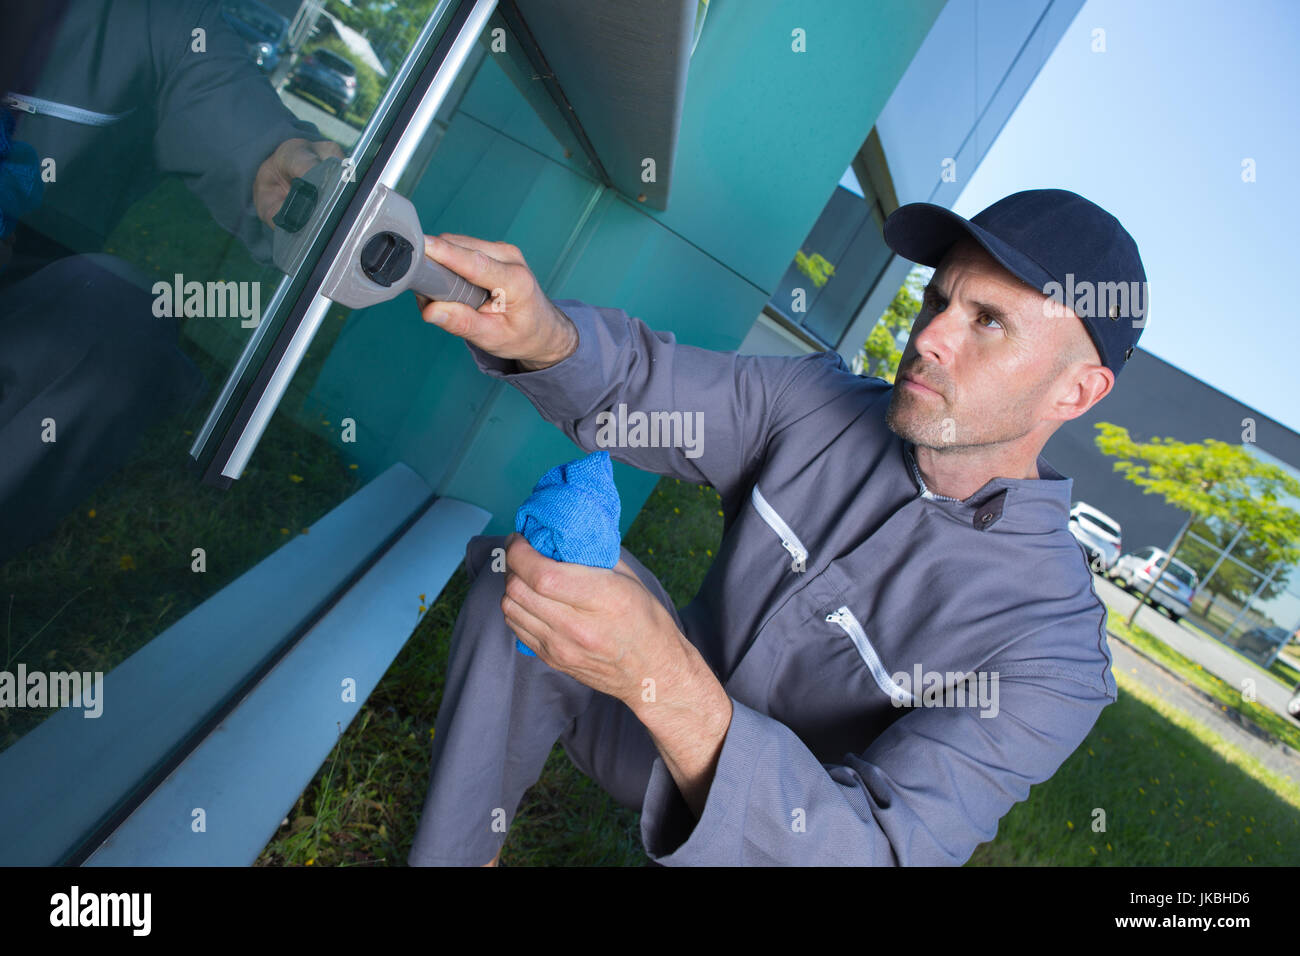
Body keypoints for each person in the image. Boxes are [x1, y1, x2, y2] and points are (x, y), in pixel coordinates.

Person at [406, 187, 1147, 866]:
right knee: (532, 578)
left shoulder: (1055, 652)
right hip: (634, 725)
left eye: (989, 322)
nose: (929, 338)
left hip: (777, 839)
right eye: (938, 301)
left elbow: (874, 853)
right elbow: (640, 389)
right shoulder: (818, 402)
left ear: (1077, 391)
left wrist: (662, 673)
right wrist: (542, 335)